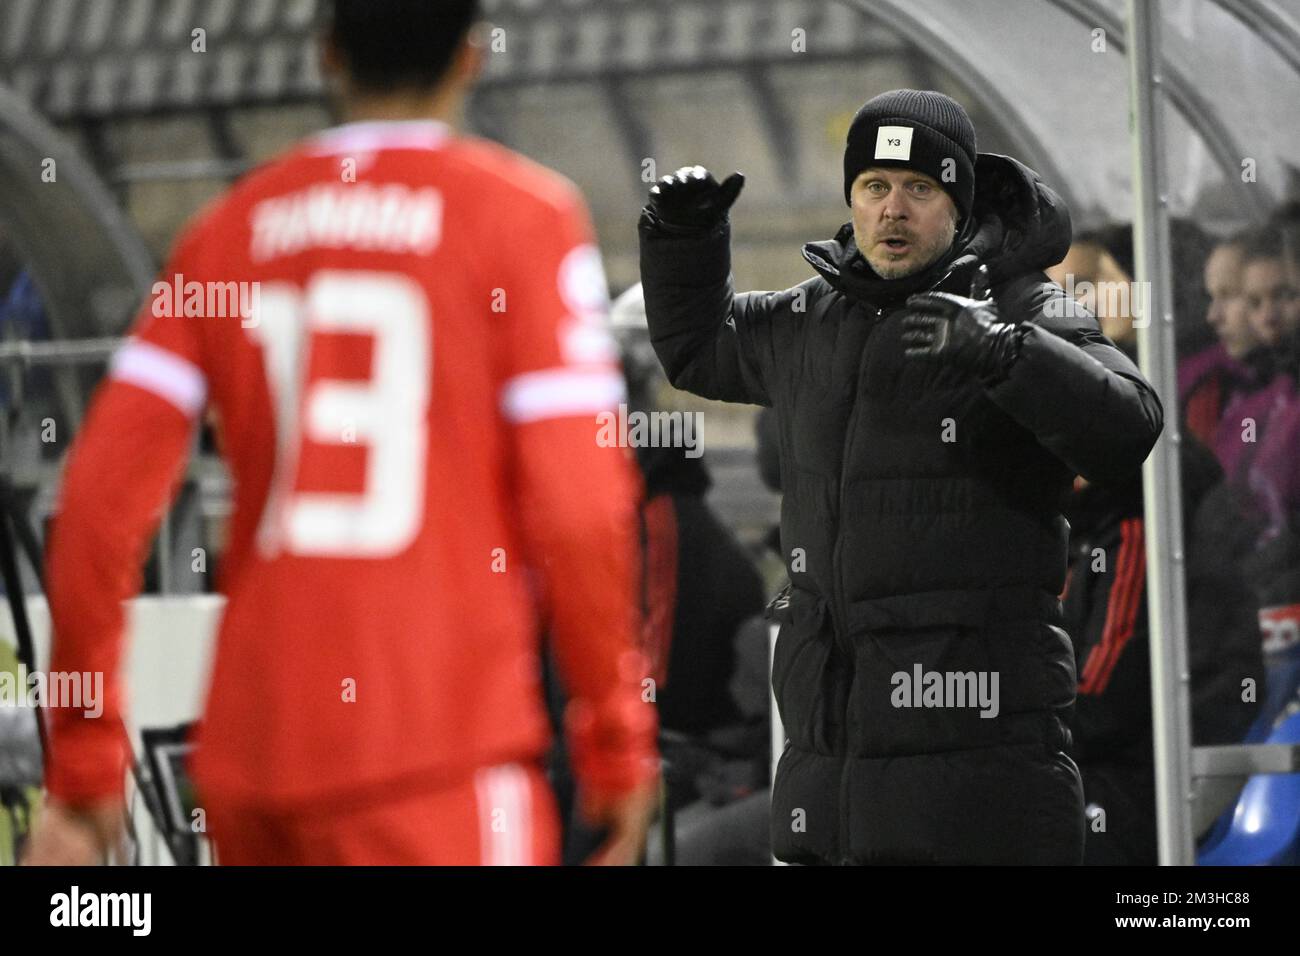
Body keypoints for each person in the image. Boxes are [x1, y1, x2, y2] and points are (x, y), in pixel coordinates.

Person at [25, 0, 659, 866]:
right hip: (437, 755)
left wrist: (86, 766)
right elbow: (582, 510)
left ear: (326, 55)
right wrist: (614, 739)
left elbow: (97, 500)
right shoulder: (524, 220)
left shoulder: (226, 233)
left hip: (256, 762)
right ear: (472, 55)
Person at [638, 88, 1163, 865]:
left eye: (920, 189)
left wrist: (1005, 353)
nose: (894, 210)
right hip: (831, 757)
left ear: (959, 204)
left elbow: (1129, 426)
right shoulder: (812, 317)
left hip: (980, 763)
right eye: (875, 188)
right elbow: (698, 347)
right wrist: (683, 238)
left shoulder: (1020, 305)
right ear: (851, 199)